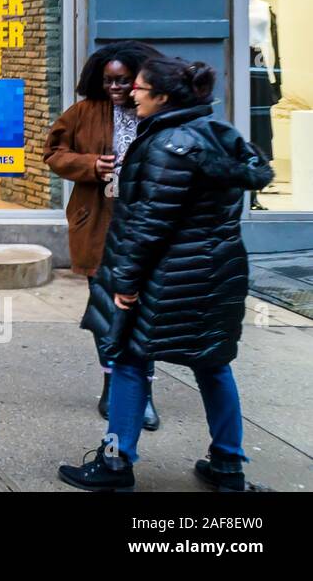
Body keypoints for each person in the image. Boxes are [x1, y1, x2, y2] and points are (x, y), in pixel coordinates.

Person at [58, 58, 273, 492]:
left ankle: (116, 465)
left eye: (139, 87)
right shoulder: (219, 134)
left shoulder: (165, 146)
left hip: (167, 278)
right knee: (213, 366)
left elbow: (150, 224)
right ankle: (228, 467)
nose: (131, 93)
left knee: (130, 362)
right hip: (216, 276)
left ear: (163, 97)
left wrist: (127, 284)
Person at [44, 40, 161, 429]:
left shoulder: (157, 112)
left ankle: (143, 391)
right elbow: (54, 153)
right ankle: (112, 385)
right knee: (105, 311)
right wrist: (89, 163)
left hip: (147, 227)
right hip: (98, 222)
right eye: (109, 80)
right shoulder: (84, 112)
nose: (116, 88)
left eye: (124, 81)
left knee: (144, 314)